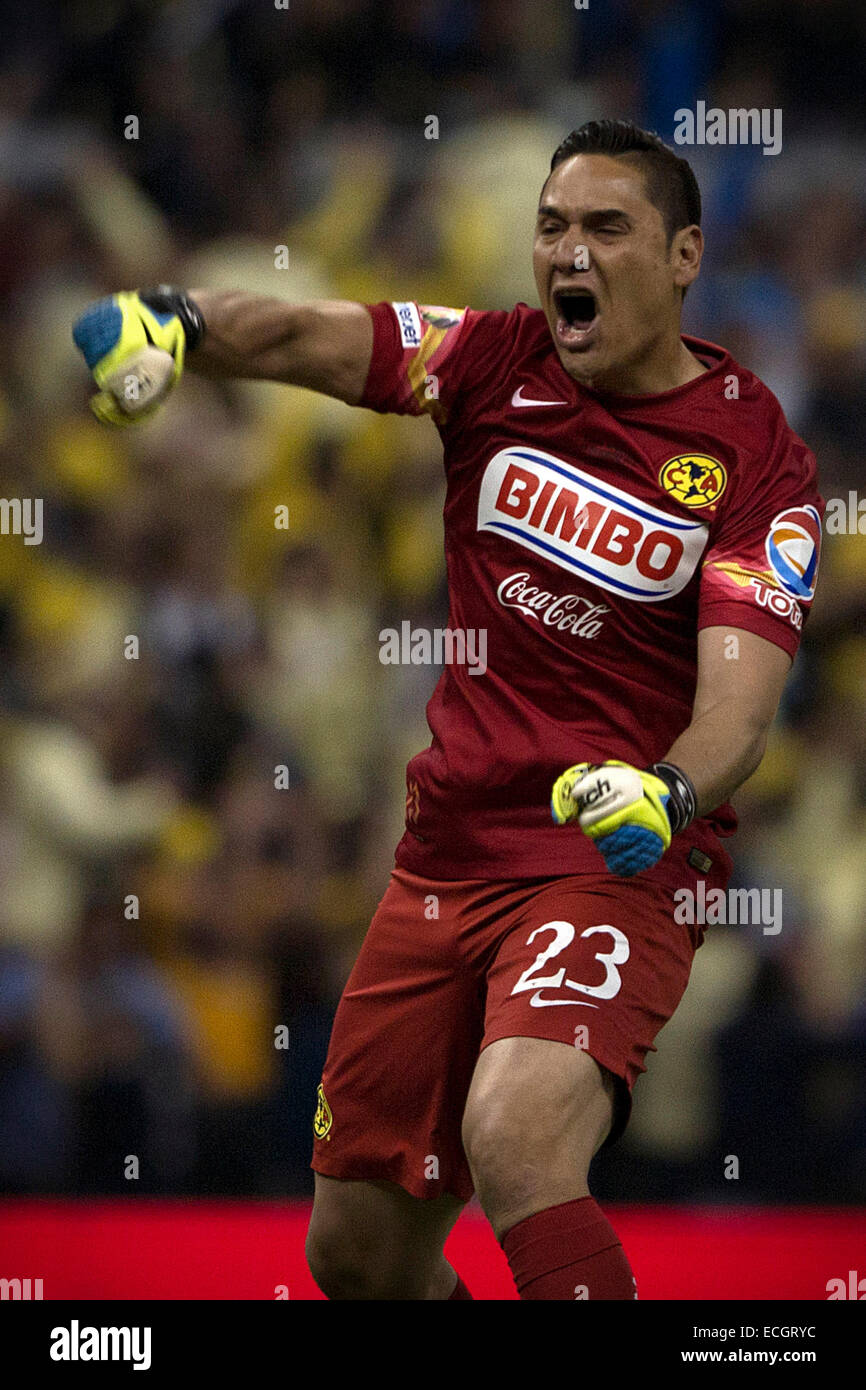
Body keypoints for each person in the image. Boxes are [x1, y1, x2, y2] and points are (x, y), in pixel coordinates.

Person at [73, 119, 823, 1300]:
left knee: (518, 1134)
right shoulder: (492, 359)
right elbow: (318, 340)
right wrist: (180, 320)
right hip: (442, 857)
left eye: (606, 229)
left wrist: (667, 788)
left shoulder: (752, 456)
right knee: (356, 1257)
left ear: (683, 257)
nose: (568, 252)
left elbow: (741, 700)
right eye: (551, 228)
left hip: (609, 856)